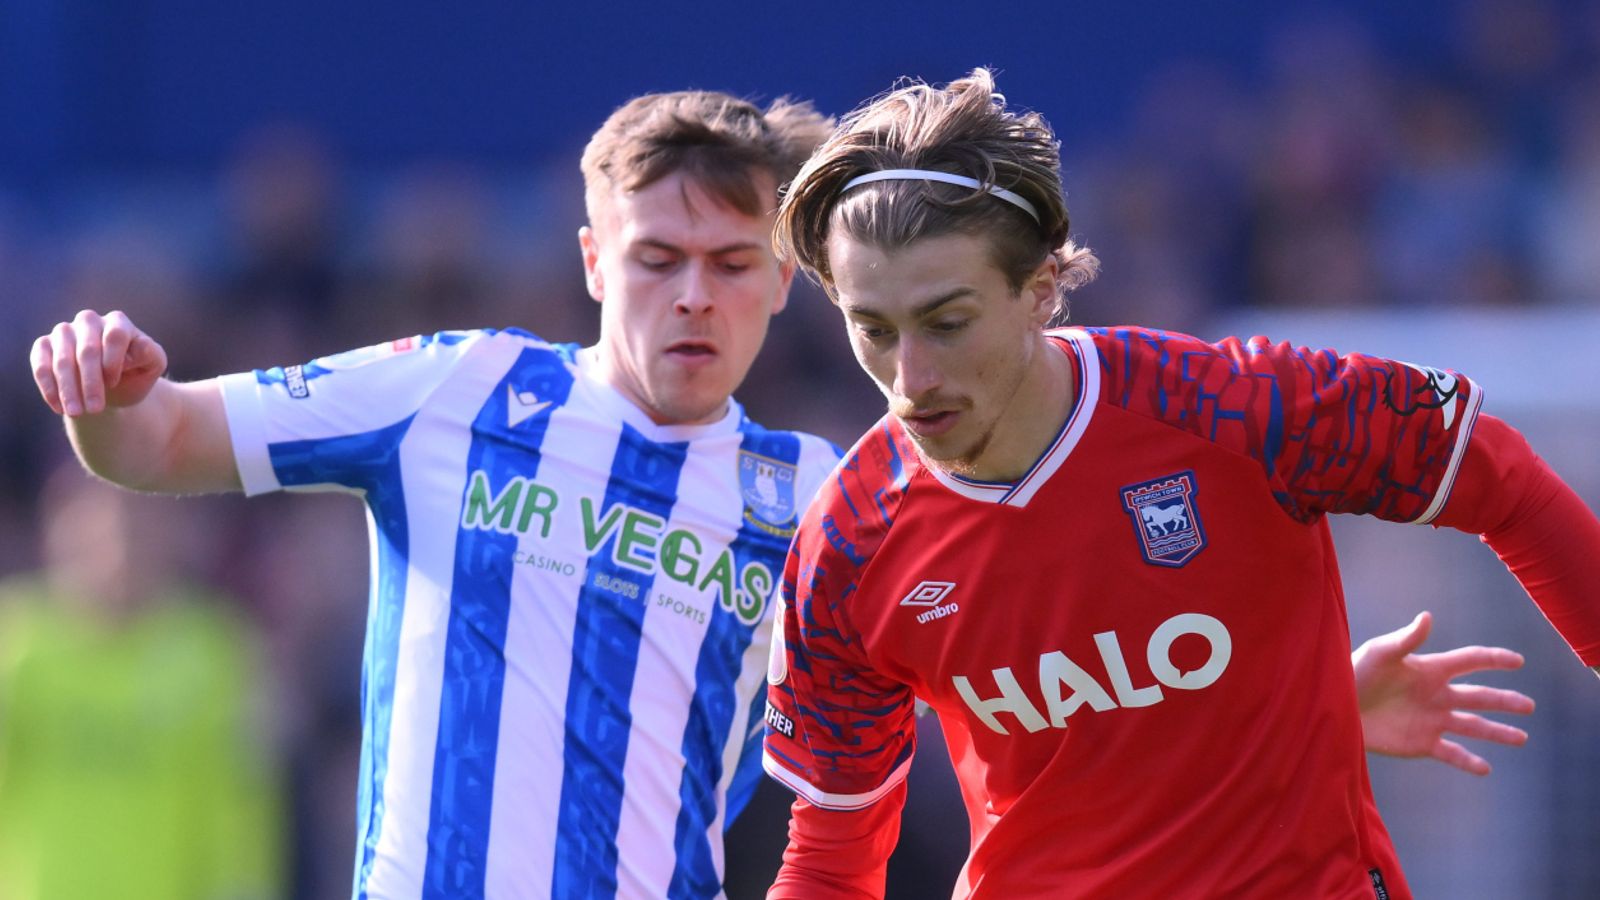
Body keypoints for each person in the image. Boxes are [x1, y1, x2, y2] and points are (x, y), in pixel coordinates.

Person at [28, 86, 1536, 900]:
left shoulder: (828, 501)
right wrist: (105, 390)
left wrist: (1305, 704)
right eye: (656, 260)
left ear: (783, 291)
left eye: (734, 267)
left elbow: (1017, 692)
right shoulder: (454, 389)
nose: (692, 297)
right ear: (589, 265)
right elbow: (159, 443)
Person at [760, 69, 1600, 899]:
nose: (910, 377)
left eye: (948, 324)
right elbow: (831, 862)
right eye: (872, 328)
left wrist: (1299, 710)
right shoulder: (845, 545)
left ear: (1041, 288)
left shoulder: (1229, 409)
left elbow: (1503, 478)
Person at [0, 468, 282, 900]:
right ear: (59, 527)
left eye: (139, 524)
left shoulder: (212, 653)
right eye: (103, 525)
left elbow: (240, 808)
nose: (120, 547)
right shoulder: (17, 642)